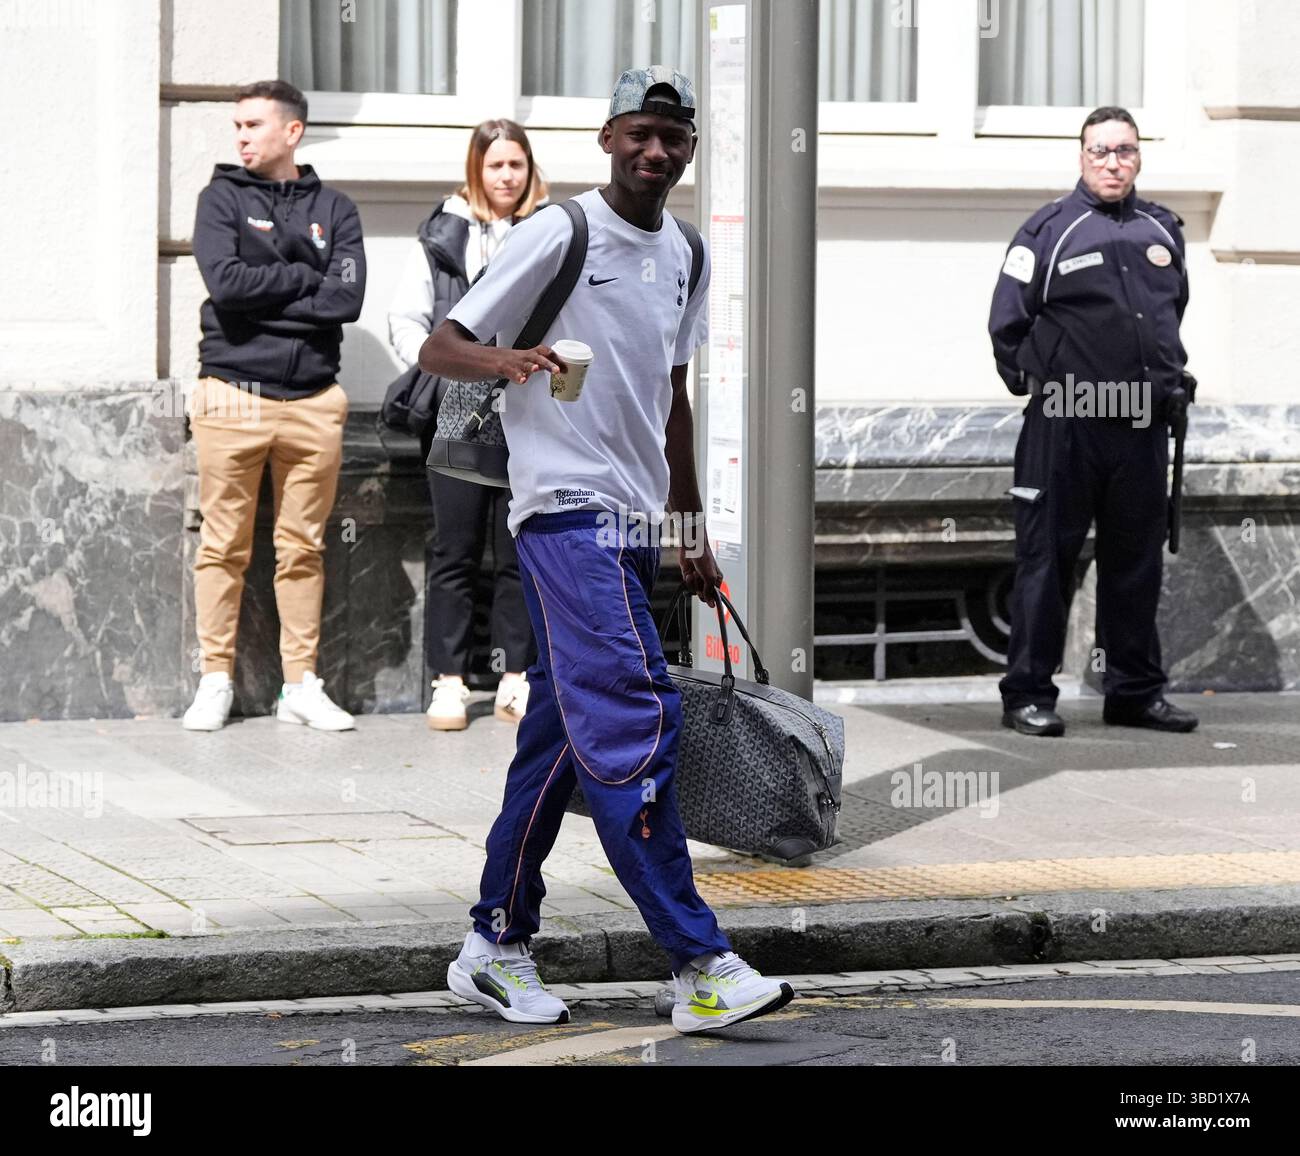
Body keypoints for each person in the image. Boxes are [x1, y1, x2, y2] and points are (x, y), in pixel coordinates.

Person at [419, 66, 795, 1033]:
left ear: (691, 150)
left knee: (555, 739)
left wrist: (688, 527)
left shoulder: (688, 253)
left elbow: (671, 396)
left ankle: (493, 945)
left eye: (673, 137)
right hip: (565, 515)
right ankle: (699, 960)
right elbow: (442, 347)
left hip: (633, 525)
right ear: (607, 140)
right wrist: (509, 360)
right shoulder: (561, 232)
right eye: (639, 133)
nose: (656, 151)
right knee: (633, 720)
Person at [989, 106, 1198, 737]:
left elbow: (1171, 314)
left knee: (1136, 561)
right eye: (1101, 152)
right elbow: (1007, 326)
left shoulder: (1163, 231)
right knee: (1045, 561)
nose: (1114, 163)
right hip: (1067, 425)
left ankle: (1133, 690)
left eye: (1125, 152)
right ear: (1081, 157)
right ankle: (1028, 693)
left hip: (1141, 425)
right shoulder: (1049, 231)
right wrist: (1045, 386)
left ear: (1139, 157)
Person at [183, 80, 366, 733]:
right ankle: (214, 680)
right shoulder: (220, 198)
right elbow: (226, 285)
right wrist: (301, 278)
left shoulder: (336, 209)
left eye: (253, 124)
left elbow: (345, 302)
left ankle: (300, 686)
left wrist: (275, 296)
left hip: (315, 400)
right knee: (222, 542)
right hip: (233, 392)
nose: (240, 136)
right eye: (237, 125)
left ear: (292, 131)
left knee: (303, 548)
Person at [388, 121, 545, 732]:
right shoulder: (442, 235)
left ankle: (514, 678)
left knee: (518, 551)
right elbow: (407, 318)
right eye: (495, 165)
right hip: (456, 417)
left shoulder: (554, 230)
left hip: (528, 416)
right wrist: (437, 377)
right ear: (475, 169)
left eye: (516, 164)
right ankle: (448, 681)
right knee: (453, 550)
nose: (506, 176)